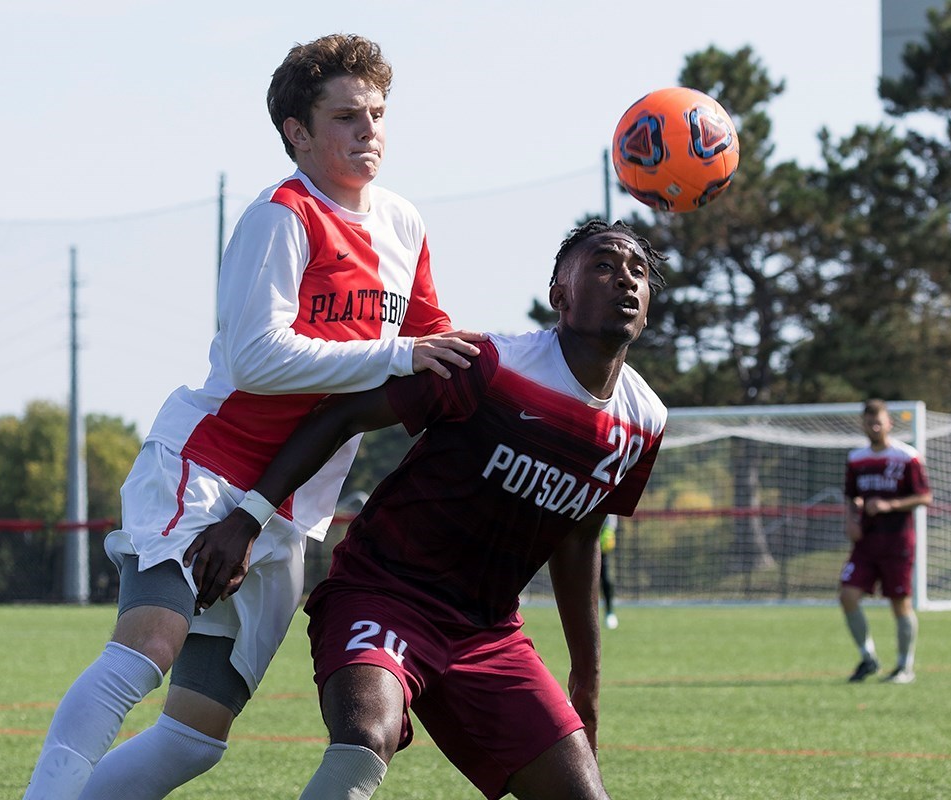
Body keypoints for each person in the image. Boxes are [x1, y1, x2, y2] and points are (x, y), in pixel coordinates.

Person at [22, 34, 484, 800]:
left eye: (376, 113)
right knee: (145, 653)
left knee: (195, 739)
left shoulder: (404, 223)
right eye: (345, 116)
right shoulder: (282, 214)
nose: (368, 129)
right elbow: (256, 360)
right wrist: (397, 355)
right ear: (297, 133)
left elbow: (436, 346)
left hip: (292, 513)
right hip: (206, 471)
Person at [191, 219, 668, 799]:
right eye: (603, 265)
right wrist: (248, 517)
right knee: (367, 738)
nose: (624, 280)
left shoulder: (644, 421)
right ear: (559, 296)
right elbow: (341, 415)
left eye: (637, 273)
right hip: (382, 594)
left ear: (645, 311)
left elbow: (579, 536)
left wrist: (586, 682)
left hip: (488, 634)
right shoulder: (490, 365)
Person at [839, 398, 932, 685]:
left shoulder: (907, 457)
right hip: (866, 543)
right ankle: (868, 658)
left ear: (889, 423)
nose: (874, 426)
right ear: (863, 424)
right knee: (848, 595)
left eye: (879, 421)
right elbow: (850, 495)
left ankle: (905, 667)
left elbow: (924, 496)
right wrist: (851, 519)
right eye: (869, 422)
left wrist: (889, 506)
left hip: (897, 541)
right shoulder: (857, 459)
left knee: (899, 604)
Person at [599, 513, 619, 629]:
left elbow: (611, 517)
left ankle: (609, 613)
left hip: (598, 542)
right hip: (581, 540)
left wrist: (609, 531)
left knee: (605, 578)